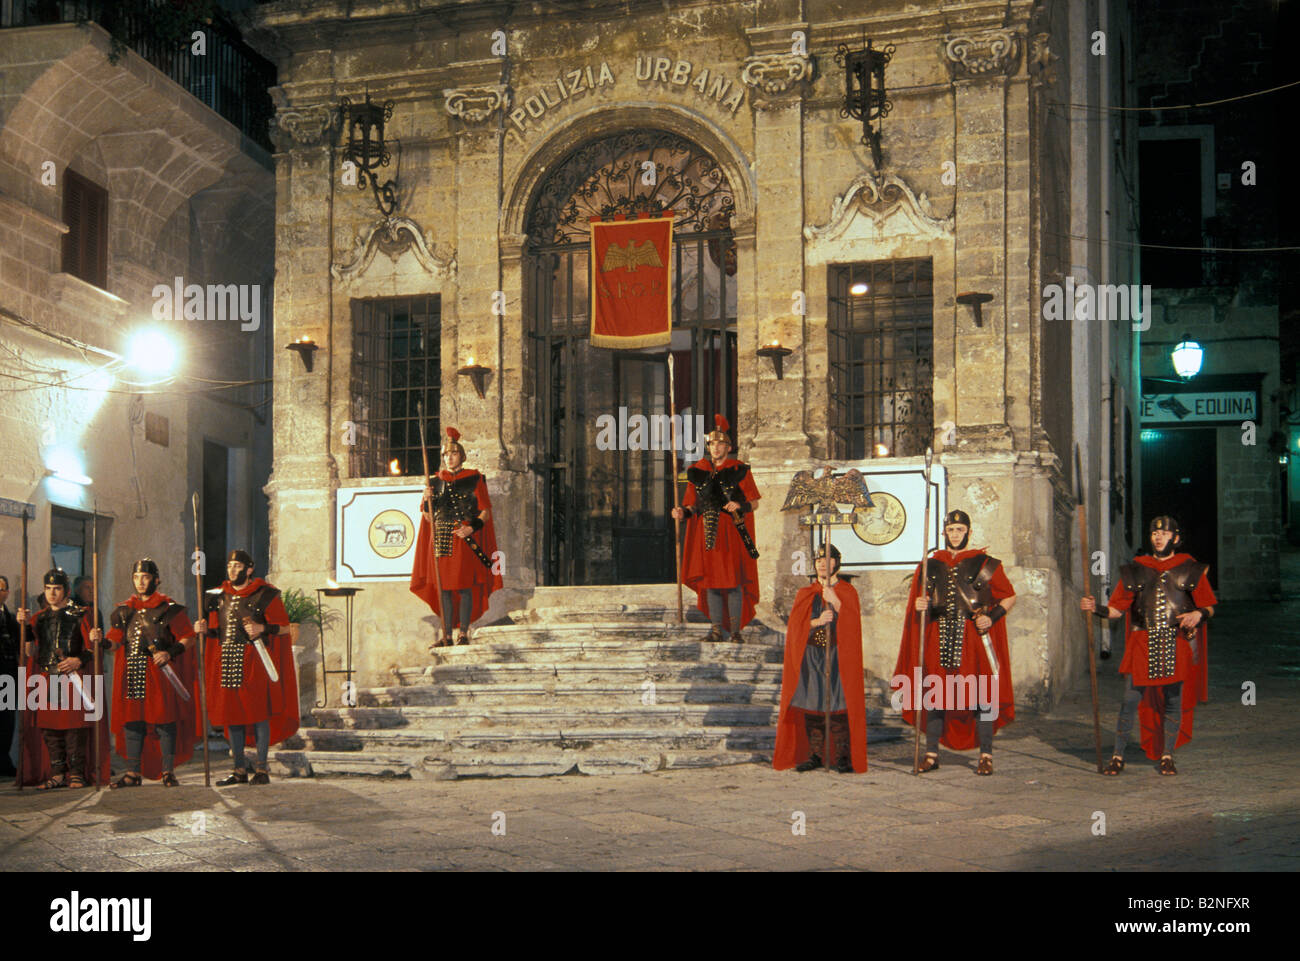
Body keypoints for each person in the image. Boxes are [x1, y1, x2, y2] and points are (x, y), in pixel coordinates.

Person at [1081, 515, 1214, 775]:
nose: (1158, 537)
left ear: (1175, 538)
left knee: (1173, 699)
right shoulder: (1136, 569)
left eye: (1164, 533)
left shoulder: (1191, 569)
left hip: (1176, 642)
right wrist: (1095, 607)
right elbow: (1118, 610)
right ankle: (1118, 756)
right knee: (1130, 700)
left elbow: (1208, 605)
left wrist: (1199, 614)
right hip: (1142, 642)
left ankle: (1167, 755)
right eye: (1155, 533)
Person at [893, 510, 1016, 775]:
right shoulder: (930, 565)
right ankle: (931, 754)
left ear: (969, 532)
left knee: (981, 695)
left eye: (960, 529)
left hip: (973, 637)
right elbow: (920, 602)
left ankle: (986, 755)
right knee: (936, 694)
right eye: (951, 530)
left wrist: (992, 618)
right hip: (938, 634)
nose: (955, 534)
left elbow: (1009, 597)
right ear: (944, 533)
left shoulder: (986, 563)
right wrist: (919, 603)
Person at [194, 550, 298, 786]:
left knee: (259, 715)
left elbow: (284, 628)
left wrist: (262, 629)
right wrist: (203, 630)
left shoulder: (266, 595)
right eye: (230, 565)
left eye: (237, 566)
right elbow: (215, 632)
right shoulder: (217, 596)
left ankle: (261, 769)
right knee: (233, 717)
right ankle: (239, 769)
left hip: (255, 660)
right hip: (227, 659)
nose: (232, 569)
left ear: (249, 570)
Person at [773, 544, 868, 773]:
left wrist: (835, 602)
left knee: (839, 706)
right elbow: (795, 627)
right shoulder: (806, 593)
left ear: (836, 562)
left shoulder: (846, 591)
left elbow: (853, 625)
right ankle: (815, 755)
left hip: (837, 656)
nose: (822, 563)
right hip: (812, 656)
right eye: (818, 560)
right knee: (812, 706)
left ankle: (842, 757)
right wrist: (816, 621)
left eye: (827, 559)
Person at [105, 559, 198, 788]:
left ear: (156, 580)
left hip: (159, 673)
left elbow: (188, 637)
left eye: (145, 577)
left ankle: (167, 771)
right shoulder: (124, 611)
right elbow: (115, 642)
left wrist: (169, 652)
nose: (140, 582)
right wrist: (101, 642)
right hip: (132, 671)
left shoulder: (169, 608)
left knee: (164, 721)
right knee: (132, 721)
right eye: (136, 577)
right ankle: (132, 773)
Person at [16, 569, 110, 788]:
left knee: (75, 726)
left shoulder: (82, 614)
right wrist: (25, 626)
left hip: (74, 676)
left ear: (66, 590)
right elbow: (31, 652)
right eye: (48, 589)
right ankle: (58, 773)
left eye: (56, 589)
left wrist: (78, 660)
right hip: (48, 676)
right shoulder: (39, 618)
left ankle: (76, 773)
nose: (51, 593)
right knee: (49, 727)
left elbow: (92, 648)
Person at [670, 414, 761, 642]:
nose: (715, 447)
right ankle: (716, 629)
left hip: (731, 533)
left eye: (720, 443)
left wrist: (738, 504)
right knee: (710, 582)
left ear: (728, 447)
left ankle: (736, 631)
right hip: (706, 533)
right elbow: (692, 505)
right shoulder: (698, 471)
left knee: (733, 582)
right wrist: (682, 512)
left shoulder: (739, 469)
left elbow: (755, 502)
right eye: (711, 443)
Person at [410, 426, 502, 648]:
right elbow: (429, 517)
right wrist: (426, 500)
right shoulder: (434, 481)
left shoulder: (474, 478)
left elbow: (485, 512)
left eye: (452, 454)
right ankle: (447, 636)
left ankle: (463, 634)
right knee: (444, 589)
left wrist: (471, 528)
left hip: (462, 539)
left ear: (461, 455)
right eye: (445, 455)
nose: (448, 458)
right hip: (440, 538)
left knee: (463, 586)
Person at [0, 576, 19, 777]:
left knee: (6, 719)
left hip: (7, 674)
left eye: (1, 589)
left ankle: (3, 760)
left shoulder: (10, 617)